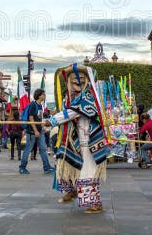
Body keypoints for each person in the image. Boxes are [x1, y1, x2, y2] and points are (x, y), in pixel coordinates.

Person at [45, 64, 109, 213]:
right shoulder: (73, 98)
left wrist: (52, 120)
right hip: (77, 140)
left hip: (89, 140)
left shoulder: (87, 97)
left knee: (88, 172)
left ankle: (95, 203)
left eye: (81, 78)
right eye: (75, 79)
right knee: (67, 161)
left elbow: (71, 113)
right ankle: (72, 189)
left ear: (87, 79)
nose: (78, 81)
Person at [19, 90, 54, 175]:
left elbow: (39, 118)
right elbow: (31, 119)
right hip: (31, 132)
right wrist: (35, 131)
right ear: (39, 96)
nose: (44, 96)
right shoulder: (32, 105)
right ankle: (22, 167)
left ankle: (47, 167)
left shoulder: (40, 105)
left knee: (43, 149)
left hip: (39, 131)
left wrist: (42, 127)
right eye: (43, 94)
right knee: (28, 149)